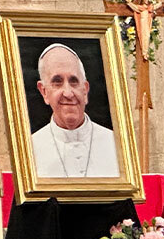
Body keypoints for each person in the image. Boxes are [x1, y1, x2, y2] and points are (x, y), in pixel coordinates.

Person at [30, 42, 120, 178]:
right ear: (44, 92)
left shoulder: (117, 145)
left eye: (74, 81)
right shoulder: (29, 151)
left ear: (85, 90)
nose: (68, 93)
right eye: (57, 82)